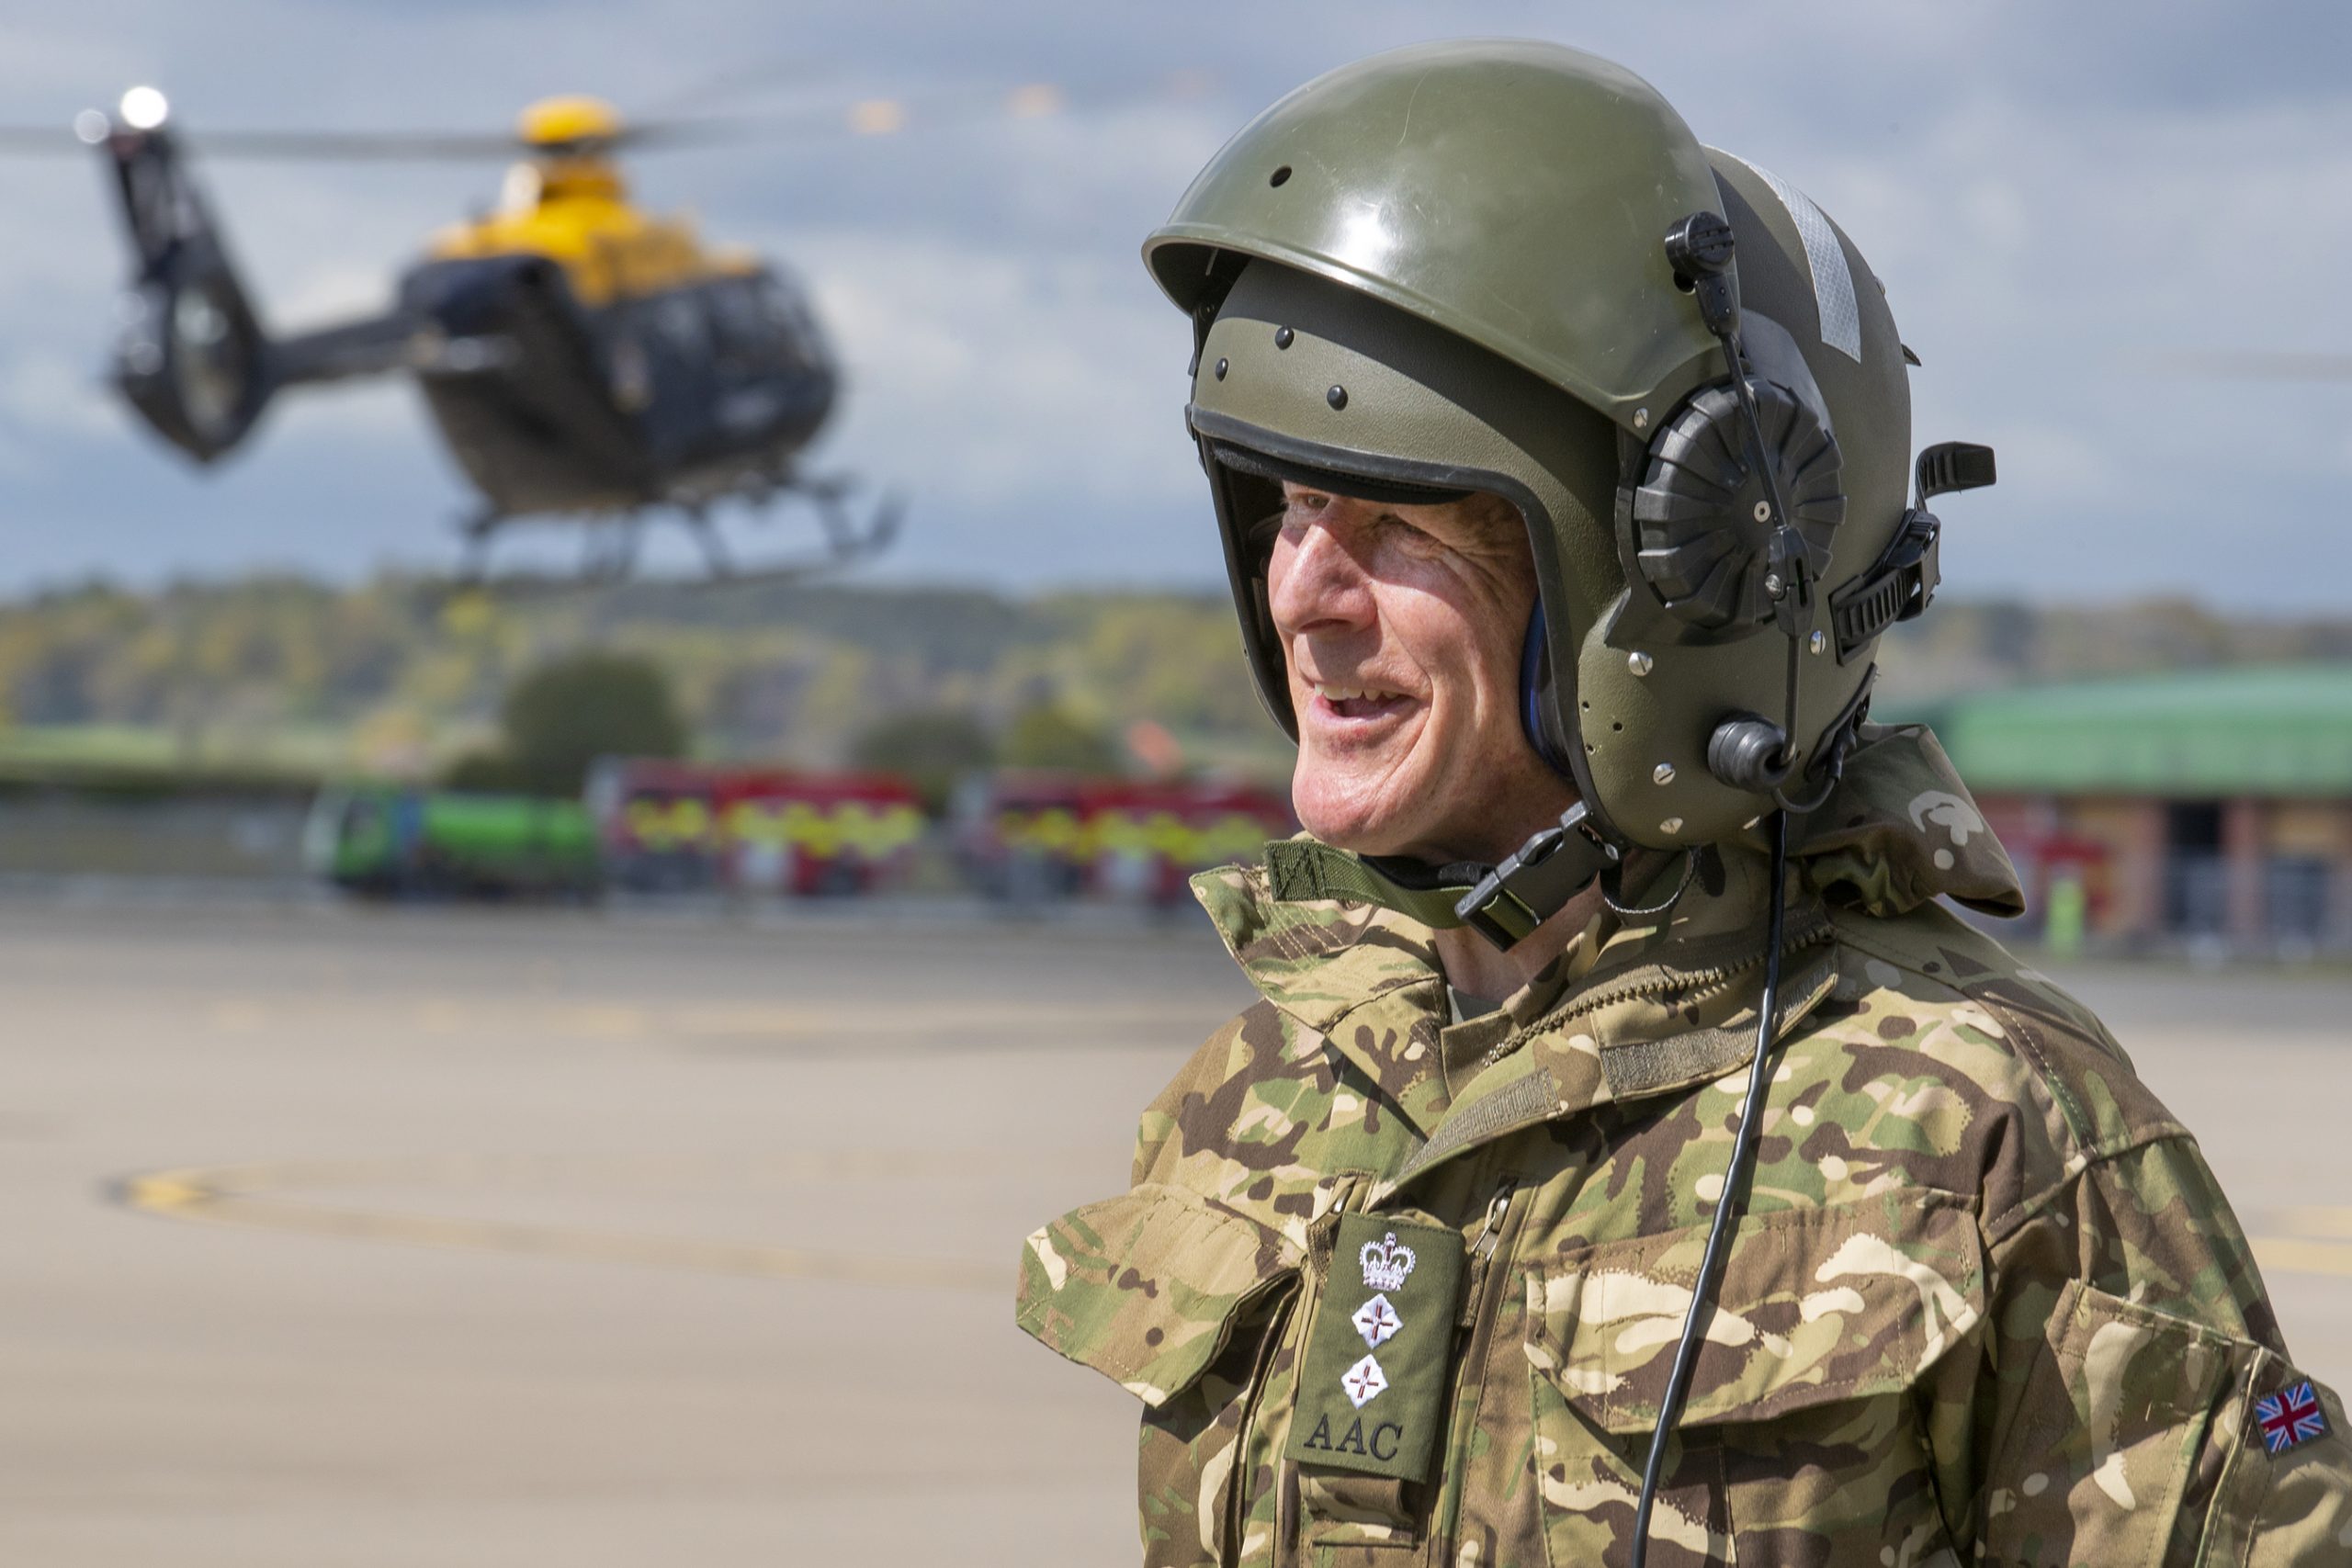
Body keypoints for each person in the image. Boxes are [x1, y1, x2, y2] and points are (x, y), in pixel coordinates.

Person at [1015, 39, 2352, 1567]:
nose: (1305, 594)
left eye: (1393, 521)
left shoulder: (1980, 1136)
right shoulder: (1262, 1090)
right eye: (1286, 506)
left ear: (1688, 575)